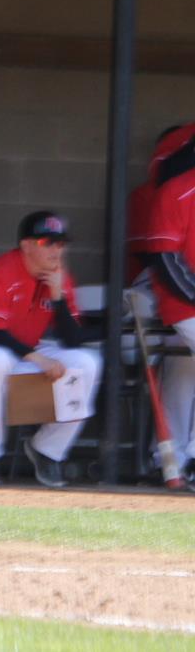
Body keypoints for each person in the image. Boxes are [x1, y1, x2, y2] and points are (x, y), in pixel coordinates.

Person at [0, 212, 101, 488]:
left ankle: (48, 449)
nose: (56, 250)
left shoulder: (59, 278)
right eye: (47, 242)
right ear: (26, 245)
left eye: (61, 243)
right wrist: (37, 358)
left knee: (86, 362)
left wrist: (58, 298)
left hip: (20, 352)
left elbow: (72, 339)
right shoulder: (0, 269)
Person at [137, 123, 195, 486]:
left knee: (182, 372)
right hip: (184, 303)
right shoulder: (177, 191)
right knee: (180, 368)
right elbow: (166, 260)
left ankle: (174, 458)